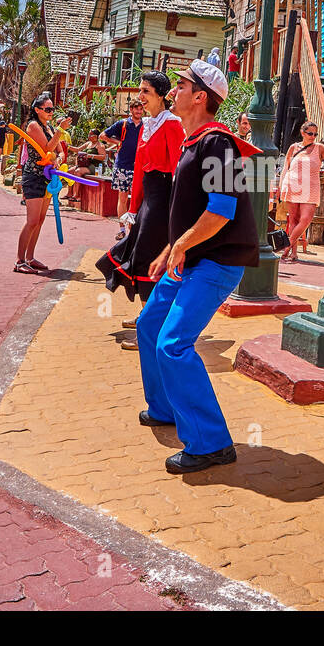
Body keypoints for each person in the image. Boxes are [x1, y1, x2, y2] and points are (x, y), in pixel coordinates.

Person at [135, 59, 259, 474]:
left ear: (200, 97)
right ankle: (167, 408)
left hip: (217, 262)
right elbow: (191, 211)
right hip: (191, 257)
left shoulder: (217, 143)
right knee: (148, 326)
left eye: (181, 85)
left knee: (173, 344)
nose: (173, 91)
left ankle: (210, 442)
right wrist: (172, 247)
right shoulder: (194, 141)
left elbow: (222, 211)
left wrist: (181, 244)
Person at [97, 71, 185, 351]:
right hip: (148, 197)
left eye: (146, 91)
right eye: (141, 90)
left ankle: (150, 328)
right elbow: (138, 169)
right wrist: (132, 208)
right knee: (137, 253)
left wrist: (175, 210)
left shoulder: (172, 125)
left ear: (161, 94)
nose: (141, 96)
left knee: (148, 259)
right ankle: (148, 318)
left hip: (164, 199)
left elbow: (177, 170)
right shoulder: (146, 124)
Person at [276, 121, 324, 264]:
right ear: (303, 133)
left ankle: (285, 248)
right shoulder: (293, 147)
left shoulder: (319, 148)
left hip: (310, 187)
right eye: (310, 133)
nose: (313, 136)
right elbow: (286, 167)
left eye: (315, 134)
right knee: (293, 220)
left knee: (305, 220)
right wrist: (281, 187)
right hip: (292, 184)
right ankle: (293, 253)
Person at [15, 94, 58, 274]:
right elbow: (48, 147)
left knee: (40, 220)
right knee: (32, 220)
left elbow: (58, 150)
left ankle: (30, 257)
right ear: (37, 110)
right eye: (47, 109)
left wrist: (60, 158)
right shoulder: (33, 126)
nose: (51, 112)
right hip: (33, 175)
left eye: (52, 109)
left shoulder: (49, 127)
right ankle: (19, 260)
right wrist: (60, 132)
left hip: (46, 176)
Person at [101, 100, 146, 239]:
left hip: (140, 166)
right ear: (131, 110)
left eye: (141, 109)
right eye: (136, 109)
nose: (139, 111)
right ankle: (122, 229)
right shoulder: (123, 124)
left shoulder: (147, 124)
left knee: (140, 198)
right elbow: (103, 136)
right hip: (123, 166)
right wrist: (118, 142)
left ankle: (135, 229)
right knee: (122, 197)